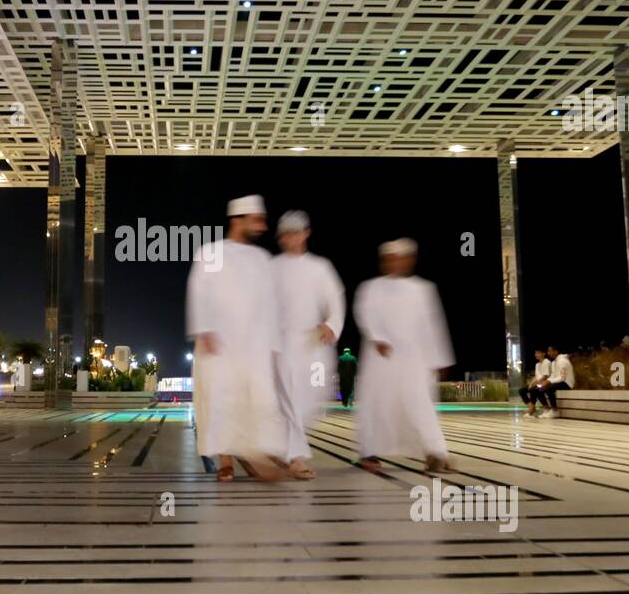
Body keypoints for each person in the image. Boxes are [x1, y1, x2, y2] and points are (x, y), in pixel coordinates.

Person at [186, 195, 296, 482]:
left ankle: (254, 454)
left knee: (260, 402)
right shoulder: (211, 253)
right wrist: (204, 329)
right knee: (223, 402)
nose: (262, 226)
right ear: (237, 220)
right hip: (219, 345)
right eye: (256, 220)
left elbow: (272, 304)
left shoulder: (262, 259)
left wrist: (273, 345)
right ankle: (226, 462)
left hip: (255, 347)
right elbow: (199, 293)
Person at [353, 238, 455, 473]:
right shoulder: (371, 288)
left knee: (421, 403)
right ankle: (367, 452)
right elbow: (364, 313)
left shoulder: (423, 289)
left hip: (415, 360)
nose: (397, 263)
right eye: (392, 259)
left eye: (402, 258)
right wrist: (377, 336)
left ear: (411, 260)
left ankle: (436, 452)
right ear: (385, 262)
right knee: (375, 405)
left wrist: (439, 359)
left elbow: (433, 325)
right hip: (381, 360)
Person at [272, 210, 345, 480]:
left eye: (296, 232)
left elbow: (336, 300)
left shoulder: (320, 267)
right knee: (288, 399)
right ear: (281, 238)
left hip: (313, 344)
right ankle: (296, 456)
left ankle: (285, 450)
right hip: (280, 345)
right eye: (286, 234)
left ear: (306, 234)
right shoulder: (272, 267)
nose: (291, 238)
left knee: (310, 398)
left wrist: (332, 324)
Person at [538, 345, 574, 418]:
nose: (548, 353)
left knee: (549, 388)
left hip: (567, 383)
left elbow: (562, 378)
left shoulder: (562, 361)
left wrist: (549, 382)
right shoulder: (554, 362)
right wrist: (546, 381)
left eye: (550, 351)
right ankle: (547, 409)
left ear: (556, 351)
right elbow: (553, 376)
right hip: (559, 382)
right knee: (539, 389)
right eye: (548, 351)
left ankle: (555, 411)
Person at [519, 348, 550, 416]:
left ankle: (546, 408)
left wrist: (535, 384)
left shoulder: (547, 362)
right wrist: (531, 384)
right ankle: (531, 407)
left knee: (535, 389)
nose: (536, 355)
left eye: (538, 353)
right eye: (535, 353)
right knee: (522, 390)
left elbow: (546, 376)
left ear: (543, 354)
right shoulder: (537, 364)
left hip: (545, 384)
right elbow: (536, 376)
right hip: (538, 383)